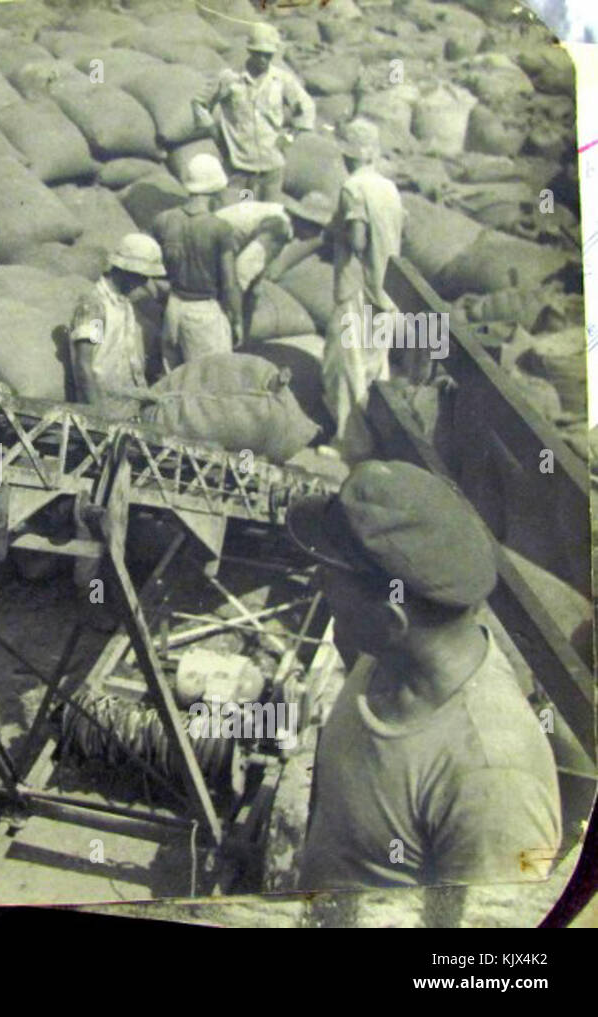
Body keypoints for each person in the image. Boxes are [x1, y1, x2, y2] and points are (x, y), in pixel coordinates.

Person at [288, 460, 561, 890]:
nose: (315, 581)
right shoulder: (385, 656)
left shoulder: (494, 782)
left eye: (330, 575)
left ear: (392, 619)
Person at [322, 118, 404, 461]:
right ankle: (377, 437)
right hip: (385, 287)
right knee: (374, 364)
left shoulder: (353, 188)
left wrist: (334, 232)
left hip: (356, 286)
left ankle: (349, 442)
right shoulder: (389, 187)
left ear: (348, 154)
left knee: (345, 364)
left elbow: (357, 239)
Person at [192, 22, 315, 203]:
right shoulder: (230, 78)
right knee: (244, 210)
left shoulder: (281, 80)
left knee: (270, 215)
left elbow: (306, 106)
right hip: (241, 168)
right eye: (259, 54)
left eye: (268, 55)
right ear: (249, 51)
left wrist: (291, 137)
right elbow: (199, 103)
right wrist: (213, 132)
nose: (263, 60)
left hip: (271, 168)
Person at [68, 232, 167, 420]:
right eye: (142, 276)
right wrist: (96, 414)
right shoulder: (95, 306)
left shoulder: (124, 304)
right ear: (125, 271)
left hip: (125, 408)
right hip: (102, 410)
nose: (145, 282)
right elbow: (84, 365)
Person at [154, 153, 241, 363]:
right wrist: (237, 319)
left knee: (175, 383)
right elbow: (230, 284)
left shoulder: (164, 220)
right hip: (204, 314)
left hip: (173, 309)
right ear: (217, 189)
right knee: (213, 382)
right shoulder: (220, 228)